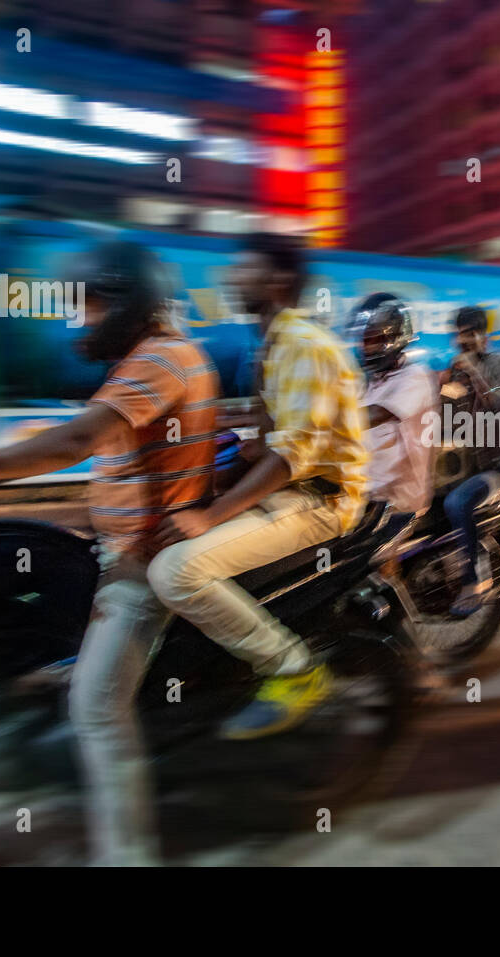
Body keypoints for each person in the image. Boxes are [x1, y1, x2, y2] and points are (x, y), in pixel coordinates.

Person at [0, 239, 220, 865]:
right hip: (118, 546)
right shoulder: (155, 356)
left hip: (142, 565)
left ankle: (127, 856)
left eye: (89, 306)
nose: (79, 321)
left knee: (94, 709)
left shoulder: (161, 361)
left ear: (126, 304)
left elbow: (80, 439)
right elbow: (121, 463)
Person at [146, 233, 368, 740]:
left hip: (319, 500)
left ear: (278, 280)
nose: (231, 278)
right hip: (288, 489)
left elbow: (292, 456)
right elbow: (268, 440)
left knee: (176, 573)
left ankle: (294, 668)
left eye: (244, 269)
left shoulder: (303, 345)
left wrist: (211, 514)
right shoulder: (271, 345)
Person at [438, 306, 500, 617]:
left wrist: (475, 372)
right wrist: (440, 392)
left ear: (483, 338)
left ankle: (475, 581)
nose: (463, 342)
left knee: (456, 504)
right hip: (463, 466)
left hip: (496, 467)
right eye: (459, 336)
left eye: (469, 335)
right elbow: (447, 420)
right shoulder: (455, 369)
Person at [354, 293, 438, 530]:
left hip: (397, 503)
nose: (366, 347)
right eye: (364, 340)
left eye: (373, 339)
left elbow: (374, 415)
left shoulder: (416, 377)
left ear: (394, 339)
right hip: (365, 495)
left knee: (365, 564)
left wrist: (317, 421)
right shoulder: (373, 381)